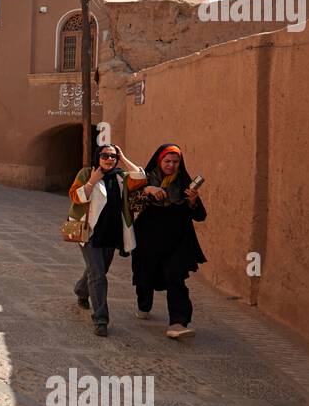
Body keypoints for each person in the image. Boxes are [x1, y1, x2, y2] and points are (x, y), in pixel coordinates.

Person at [69, 143, 147, 336]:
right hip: (89, 232)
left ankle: (81, 290)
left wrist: (124, 157)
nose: (109, 159)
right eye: (105, 155)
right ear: (98, 157)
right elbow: (75, 197)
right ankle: (101, 319)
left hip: (112, 233)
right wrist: (92, 182)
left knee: (98, 269)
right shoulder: (87, 173)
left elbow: (141, 177)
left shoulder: (121, 176)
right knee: (98, 275)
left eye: (113, 156)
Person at [132, 143, 207, 339]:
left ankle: (178, 322)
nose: (171, 165)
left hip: (178, 240)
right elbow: (131, 202)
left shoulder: (184, 183)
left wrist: (192, 201)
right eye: (167, 161)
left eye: (175, 162)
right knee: (145, 276)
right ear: (159, 161)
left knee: (176, 277)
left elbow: (200, 215)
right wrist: (147, 189)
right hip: (148, 238)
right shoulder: (146, 179)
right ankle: (144, 304)